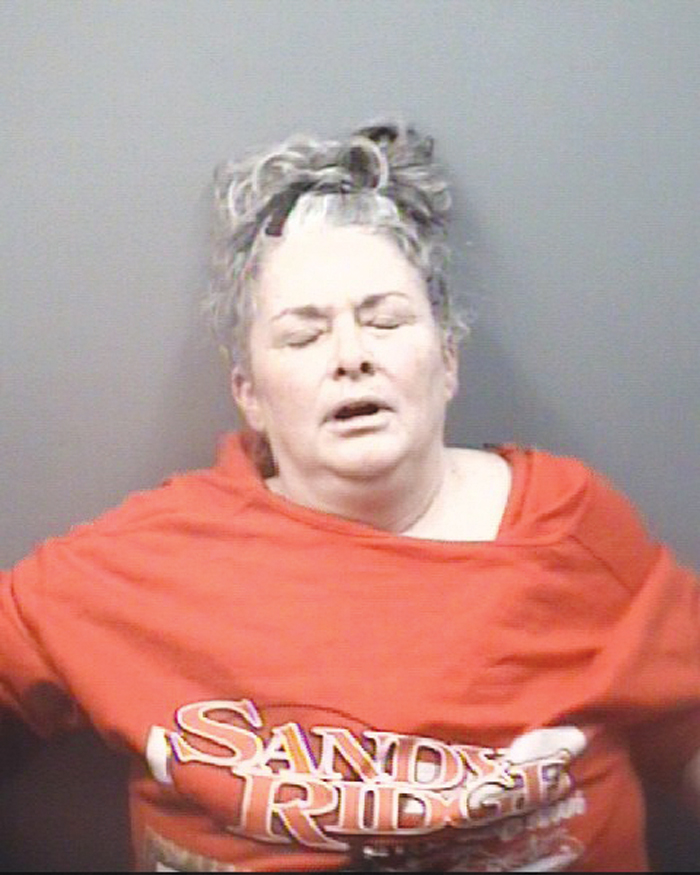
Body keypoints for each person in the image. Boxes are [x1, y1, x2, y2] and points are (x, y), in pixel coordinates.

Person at [1, 117, 699, 873]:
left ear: (448, 361)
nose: (352, 356)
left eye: (385, 320)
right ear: (250, 394)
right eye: (304, 336)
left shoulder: (572, 526)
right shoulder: (140, 564)